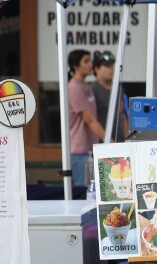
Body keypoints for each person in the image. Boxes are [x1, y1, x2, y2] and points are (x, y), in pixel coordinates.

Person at [67, 49, 105, 187]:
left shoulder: (86, 87)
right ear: (75, 66)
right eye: (86, 61)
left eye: (90, 61)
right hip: (79, 150)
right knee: (82, 191)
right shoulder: (74, 88)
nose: (90, 64)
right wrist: (108, 140)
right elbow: (89, 119)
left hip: (90, 149)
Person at [91, 51, 128, 143]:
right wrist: (107, 140)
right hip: (102, 144)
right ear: (97, 69)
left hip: (119, 142)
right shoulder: (92, 90)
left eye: (112, 65)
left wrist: (128, 139)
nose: (111, 69)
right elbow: (91, 120)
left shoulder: (118, 88)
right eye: (107, 66)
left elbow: (122, 115)